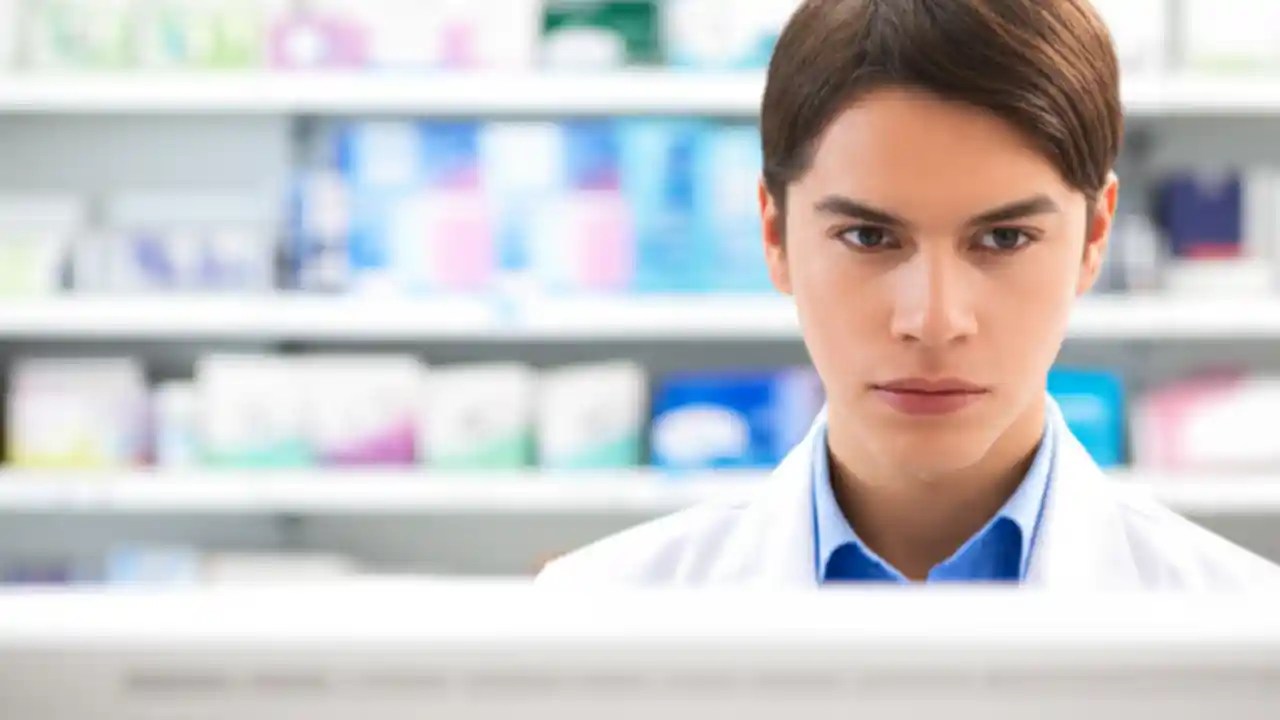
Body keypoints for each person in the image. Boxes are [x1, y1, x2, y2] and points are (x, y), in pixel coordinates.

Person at [538, 0, 1280, 589]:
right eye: (869, 238)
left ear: (1094, 237)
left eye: (1004, 239)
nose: (932, 320)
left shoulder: (1246, 635)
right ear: (774, 233)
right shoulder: (595, 615)